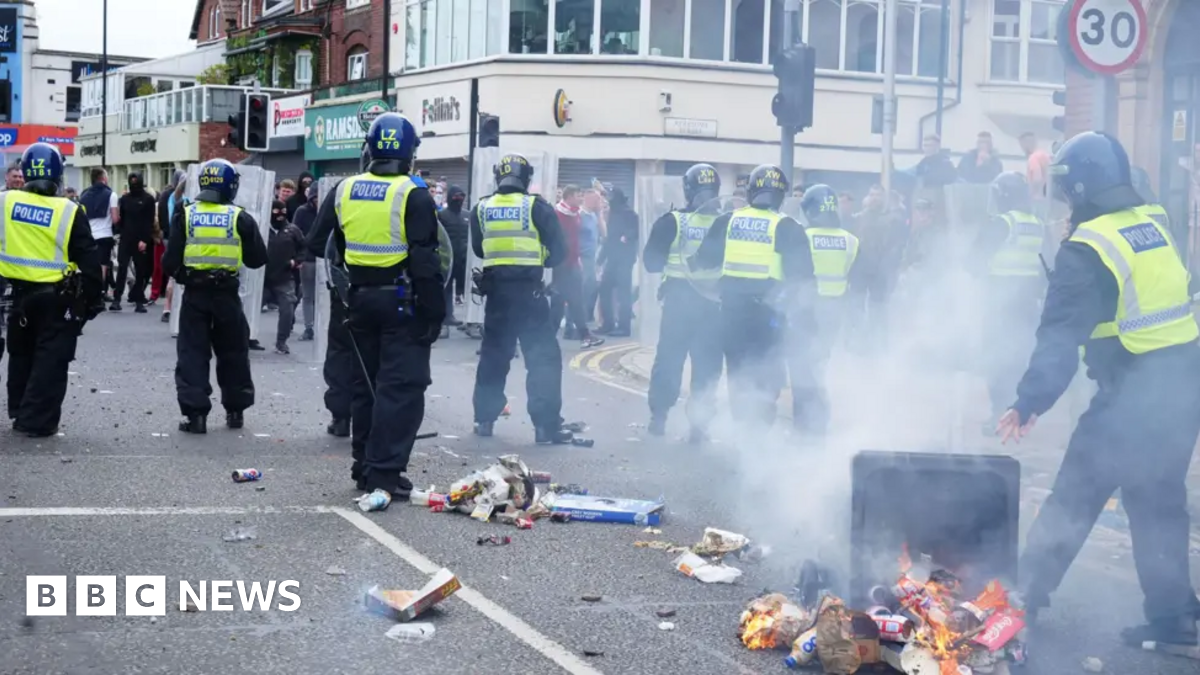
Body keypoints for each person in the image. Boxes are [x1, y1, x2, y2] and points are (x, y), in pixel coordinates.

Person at [996, 131, 1200, 647]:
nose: (1063, 198)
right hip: (1181, 386)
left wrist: (1030, 400)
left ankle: (1023, 594)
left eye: (1066, 188)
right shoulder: (1152, 219)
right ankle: (1175, 618)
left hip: (1133, 394)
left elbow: (1059, 336)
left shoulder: (1087, 249)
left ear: (1081, 187)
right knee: (1157, 501)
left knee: (1077, 490)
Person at [305, 113, 445, 511]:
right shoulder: (413, 193)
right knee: (400, 389)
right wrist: (435, 313)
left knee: (365, 385)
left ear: (369, 149)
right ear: (410, 152)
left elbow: (316, 243)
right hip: (402, 302)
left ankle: (364, 467)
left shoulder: (345, 189)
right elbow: (425, 262)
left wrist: (350, 253)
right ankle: (384, 474)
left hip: (359, 300)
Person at [692, 164, 815, 429]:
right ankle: (762, 424)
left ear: (750, 191)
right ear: (781, 195)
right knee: (768, 368)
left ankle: (743, 425)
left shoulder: (727, 221)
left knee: (738, 369)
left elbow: (704, 261)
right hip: (770, 314)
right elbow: (803, 277)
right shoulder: (788, 226)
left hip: (732, 312)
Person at [470, 153, 574, 445]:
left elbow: (479, 249)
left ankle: (484, 420)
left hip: (497, 296)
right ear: (526, 179)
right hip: (530, 295)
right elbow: (560, 250)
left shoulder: (482, 208)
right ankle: (545, 427)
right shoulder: (536, 207)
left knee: (493, 356)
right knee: (542, 359)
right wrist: (541, 258)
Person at [0, 143, 102, 436]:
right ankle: (36, 421)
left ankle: (19, 410)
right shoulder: (69, 210)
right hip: (56, 297)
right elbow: (89, 260)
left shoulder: (5, 202)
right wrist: (93, 302)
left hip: (16, 295)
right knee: (51, 359)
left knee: (21, 355)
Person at [163, 159, 268, 434]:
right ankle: (235, 411)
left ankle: (195, 416)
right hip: (227, 294)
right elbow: (258, 259)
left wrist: (186, 275)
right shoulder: (239, 217)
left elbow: (169, 262)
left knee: (192, 354)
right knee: (233, 352)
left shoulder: (185, 215)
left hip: (196, 294)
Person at [641, 163, 724, 442]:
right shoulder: (727, 222)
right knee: (708, 366)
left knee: (669, 360)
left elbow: (651, 263)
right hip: (713, 303)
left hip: (678, 302)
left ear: (687, 189)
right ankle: (699, 427)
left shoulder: (672, 221)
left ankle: (659, 418)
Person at [973, 171, 1046, 429]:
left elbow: (972, 260)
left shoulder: (1003, 223)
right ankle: (1020, 411)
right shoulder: (1037, 223)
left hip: (1001, 302)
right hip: (1027, 302)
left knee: (997, 358)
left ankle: (1000, 416)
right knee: (1019, 359)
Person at [792, 184, 859, 435]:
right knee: (821, 365)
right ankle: (820, 420)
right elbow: (856, 277)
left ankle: (804, 424)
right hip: (834, 311)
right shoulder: (850, 240)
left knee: (801, 367)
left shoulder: (802, 236)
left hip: (806, 310)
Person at [550, 185, 604, 347]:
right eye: (578, 195)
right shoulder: (556, 214)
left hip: (573, 263)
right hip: (560, 264)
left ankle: (584, 335)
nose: (581, 198)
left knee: (575, 300)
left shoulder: (576, 214)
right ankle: (549, 337)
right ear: (569, 197)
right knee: (560, 303)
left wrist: (577, 258)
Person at [595, 187, 638, 337]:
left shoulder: (629, 213)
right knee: (604, 289)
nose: (608, 200)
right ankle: (608, 324)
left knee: (623, 294)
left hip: (625, 260)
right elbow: (609, 239)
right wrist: (600, 259)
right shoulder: (613, 213)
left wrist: (627, 236)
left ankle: (624, 327)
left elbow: (636, 231)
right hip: (613, 259)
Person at [265, 199, 306, 354]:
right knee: (246, 309)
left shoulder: (293, 230)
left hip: (284, 276)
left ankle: (281, 342)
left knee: (288, 308)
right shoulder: (262, 228)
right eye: (276, 212)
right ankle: (245, 338)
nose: (280, 215)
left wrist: (296, 261)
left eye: (283, 211)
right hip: (262, 278)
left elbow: (303, 247)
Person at [113, 172, 156, 312]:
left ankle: (138, 301)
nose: (134, 183)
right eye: (131, 180)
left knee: (140, 270)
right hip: (126, 238)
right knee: (122, 268)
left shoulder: (148, 199)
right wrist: (119, 233)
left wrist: (145, 239)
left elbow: (149, 221)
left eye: (136, 180)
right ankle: (117, 299)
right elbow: (122, 218)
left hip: (140, 239)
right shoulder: (125, 199)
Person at [78, 168, 119, 304]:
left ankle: (87, 293)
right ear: (103, 178)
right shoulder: (111, 195)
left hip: (89, 234)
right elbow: (115, 218)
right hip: (104, 234)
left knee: (89, 266)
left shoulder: (84, 195)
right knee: (103, 266)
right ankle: (100, 293)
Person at [437, 184, 468, 326]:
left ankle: (470, 319)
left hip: (464, 258)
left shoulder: (467, 215)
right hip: (448, 258)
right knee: (446, 289)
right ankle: (447, 316)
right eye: (456, 196)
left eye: (461, 196)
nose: (458, 199)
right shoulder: (442, 215)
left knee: (467, 288)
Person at [293, 183, 319, 341]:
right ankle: (309, 327)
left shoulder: (304, 211)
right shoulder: (302, 211)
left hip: (322, 259)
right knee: (308, 295)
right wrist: (298, 257)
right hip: (308, 259)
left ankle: (316, 326)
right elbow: (295, 234)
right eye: (315, 198)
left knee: (318, 296)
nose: (317, 201)